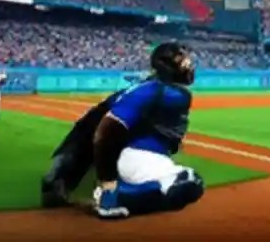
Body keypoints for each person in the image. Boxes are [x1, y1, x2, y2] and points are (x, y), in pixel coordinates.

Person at [39, 43, 205, 219]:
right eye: (182, 61)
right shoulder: (156, 90)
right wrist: (108, 183)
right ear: (167, 66)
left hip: (136, 156)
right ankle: (114, 195)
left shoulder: (154, 88)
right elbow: (107, 131)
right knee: (189, 181)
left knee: (180, 182)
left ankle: (113, 190)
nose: (188, 65)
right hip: (134, 157)